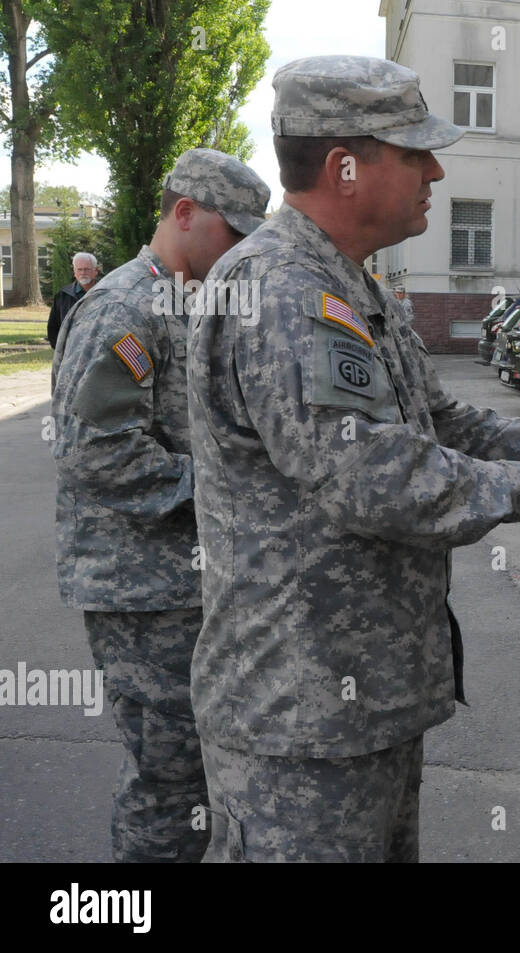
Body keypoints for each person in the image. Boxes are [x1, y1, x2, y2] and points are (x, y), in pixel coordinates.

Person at [186, 55, 520, 863]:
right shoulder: (282, 291)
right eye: (414, 152)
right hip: (298, 721)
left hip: (362, 702)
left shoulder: (350, 286)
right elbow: (371, 475)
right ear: (344, 167)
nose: (436, 169)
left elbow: (439, 422)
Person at [49, 148, 271, 862]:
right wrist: (227, 484)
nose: (241, 251)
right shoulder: (122, 307)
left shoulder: (186, 301)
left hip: (184, 582)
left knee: (199, 775)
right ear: (184, 213)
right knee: (170, 784)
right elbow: (98, 456)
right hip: (142, 592)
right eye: (232, 233)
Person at [47, 252, 100, 346]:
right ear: (74, 272)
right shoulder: (63, 296)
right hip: (70, 352)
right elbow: (53, 328)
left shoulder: (104, 294)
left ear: (95, 271)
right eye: (79, 269)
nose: (83, 273)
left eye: (87, 269)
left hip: (98, 351)